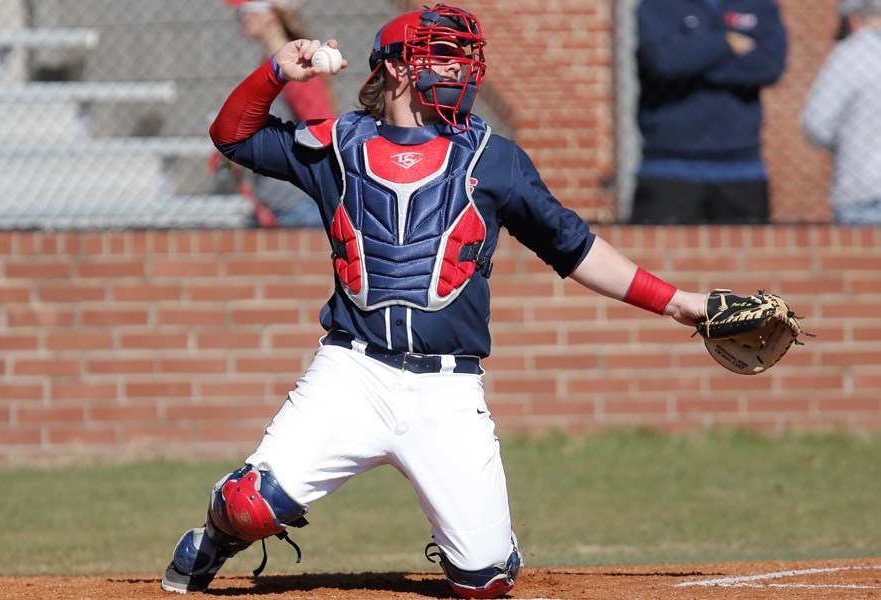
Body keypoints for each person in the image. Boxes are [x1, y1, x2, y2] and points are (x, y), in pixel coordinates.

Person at [161, 5, 708, 598]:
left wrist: (677, 302)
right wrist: (274, 71)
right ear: (396, 69)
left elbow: (576, 249)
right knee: (248, 504)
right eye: (442, 53)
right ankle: (213, 541)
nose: (461, 68)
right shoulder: (337, 145)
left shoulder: (494, 157)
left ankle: (481, 545)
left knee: (487, 578)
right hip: (353, 372)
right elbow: (232, 136)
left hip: (447, 387)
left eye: (464, 55)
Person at [630, 0, 788, 225]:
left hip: (743, 168)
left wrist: (693, 60)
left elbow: (769, 65)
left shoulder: (759, 5)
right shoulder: (658, 5)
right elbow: (666, 61)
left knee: (749, 259)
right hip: (668, 167)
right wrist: (728, 40)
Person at [220, 0, 336, 227]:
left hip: (298, 206)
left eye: (244, 11)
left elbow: (325, 131)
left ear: (270, 15)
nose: (240, 19)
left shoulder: (297, 70)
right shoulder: (272, 67)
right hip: (277, 204)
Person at [801, 0, 881, 224]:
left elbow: (816, 124)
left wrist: (852, 139)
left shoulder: (851, 53)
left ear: (853, 19)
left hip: (863, 190)